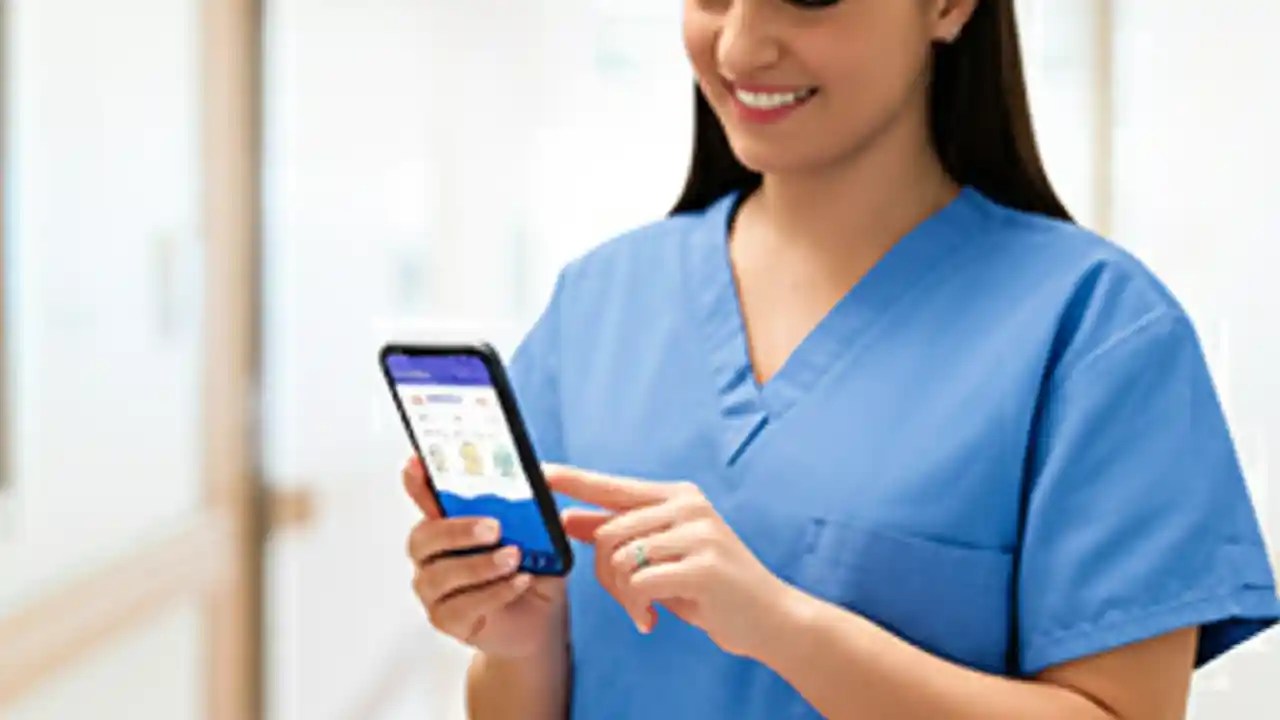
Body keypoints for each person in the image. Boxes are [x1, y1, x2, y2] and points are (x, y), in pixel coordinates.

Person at [401, 1, 1280, 718]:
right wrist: (520, 645)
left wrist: (784, 627)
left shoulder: (1095, 329)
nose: (741, 43)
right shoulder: (599, 302)